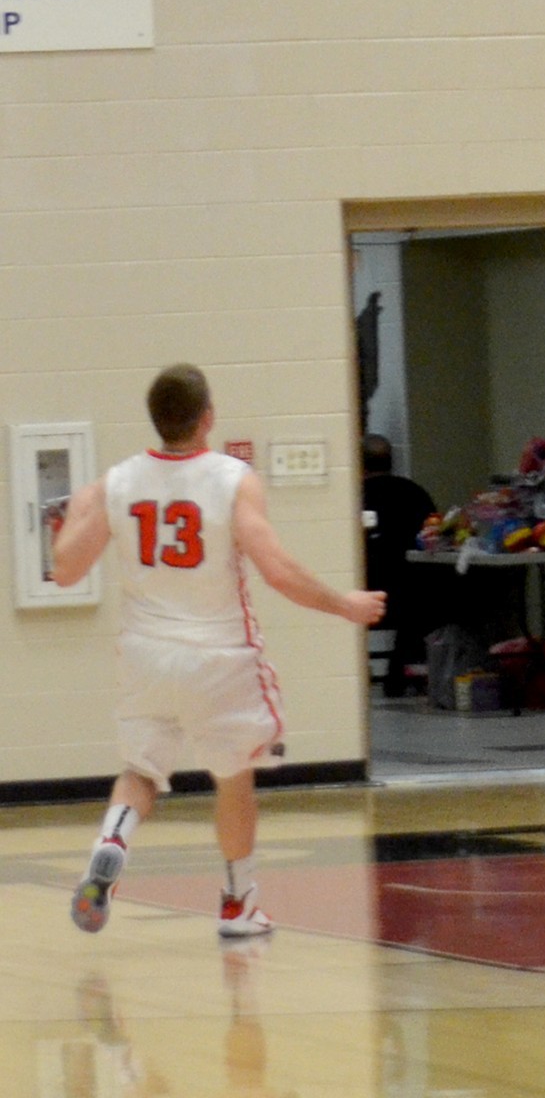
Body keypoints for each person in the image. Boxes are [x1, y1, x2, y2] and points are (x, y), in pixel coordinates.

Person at [52, 364, 386, 938]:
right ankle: (237, 904)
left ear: (156, 420)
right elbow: (277, 571)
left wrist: (76, 515)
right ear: (207, 416)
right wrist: (344, 605)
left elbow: (64, 570)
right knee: (233, 780)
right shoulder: (232, 479)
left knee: (139, 772)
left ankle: (113, 841)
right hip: (219, 657)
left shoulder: (117, 482)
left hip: (145, 656)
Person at [361, 432, 437, 696]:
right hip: (417, 592)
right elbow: (434, 536)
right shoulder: (415, 493)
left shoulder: (354, 498)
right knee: (413, 599)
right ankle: (402, 672)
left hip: (367, 591)